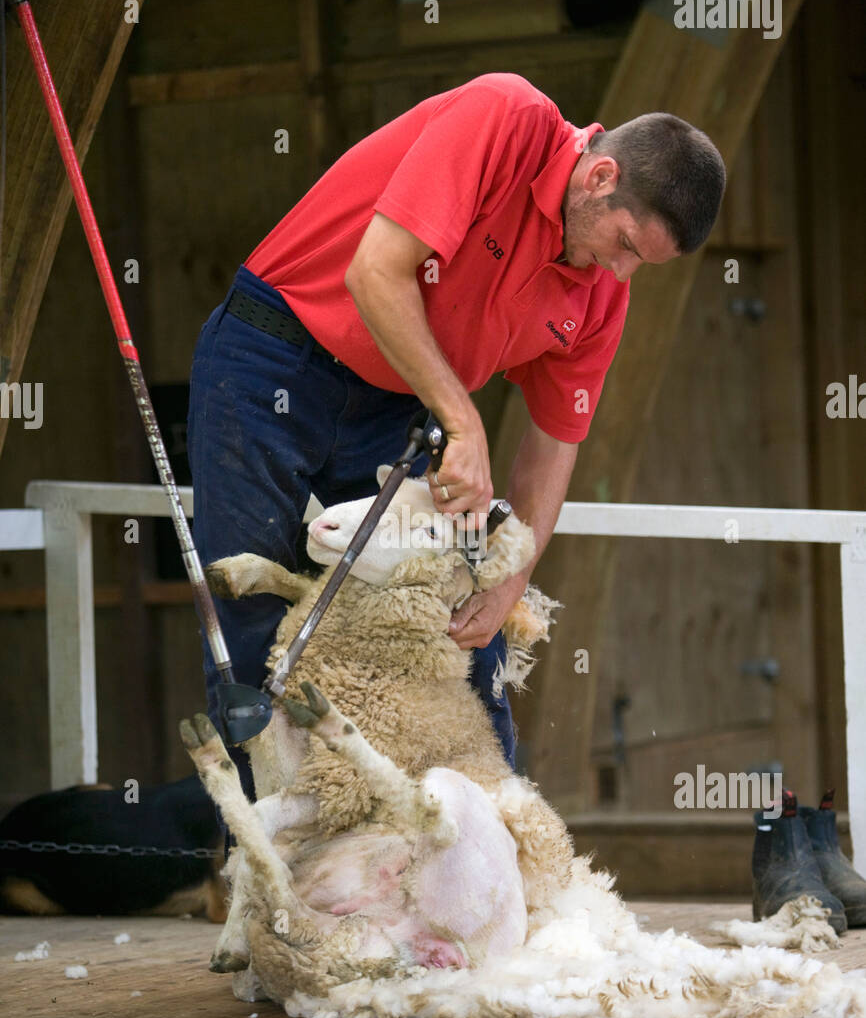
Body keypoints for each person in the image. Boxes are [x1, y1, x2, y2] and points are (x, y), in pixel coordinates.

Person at [187, 72, 725, 793]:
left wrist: (513, 581)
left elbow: (554, 444)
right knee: (248, 617)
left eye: (639, 264)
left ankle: (491, 849)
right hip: (273, 354)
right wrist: (461, 420)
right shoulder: (504, 116)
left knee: (458, 606)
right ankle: (270, 868)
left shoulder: (603, 291)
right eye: (623, 243)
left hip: (397, 399)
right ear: (600, 176)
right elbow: (376, 273)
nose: (619, 272)